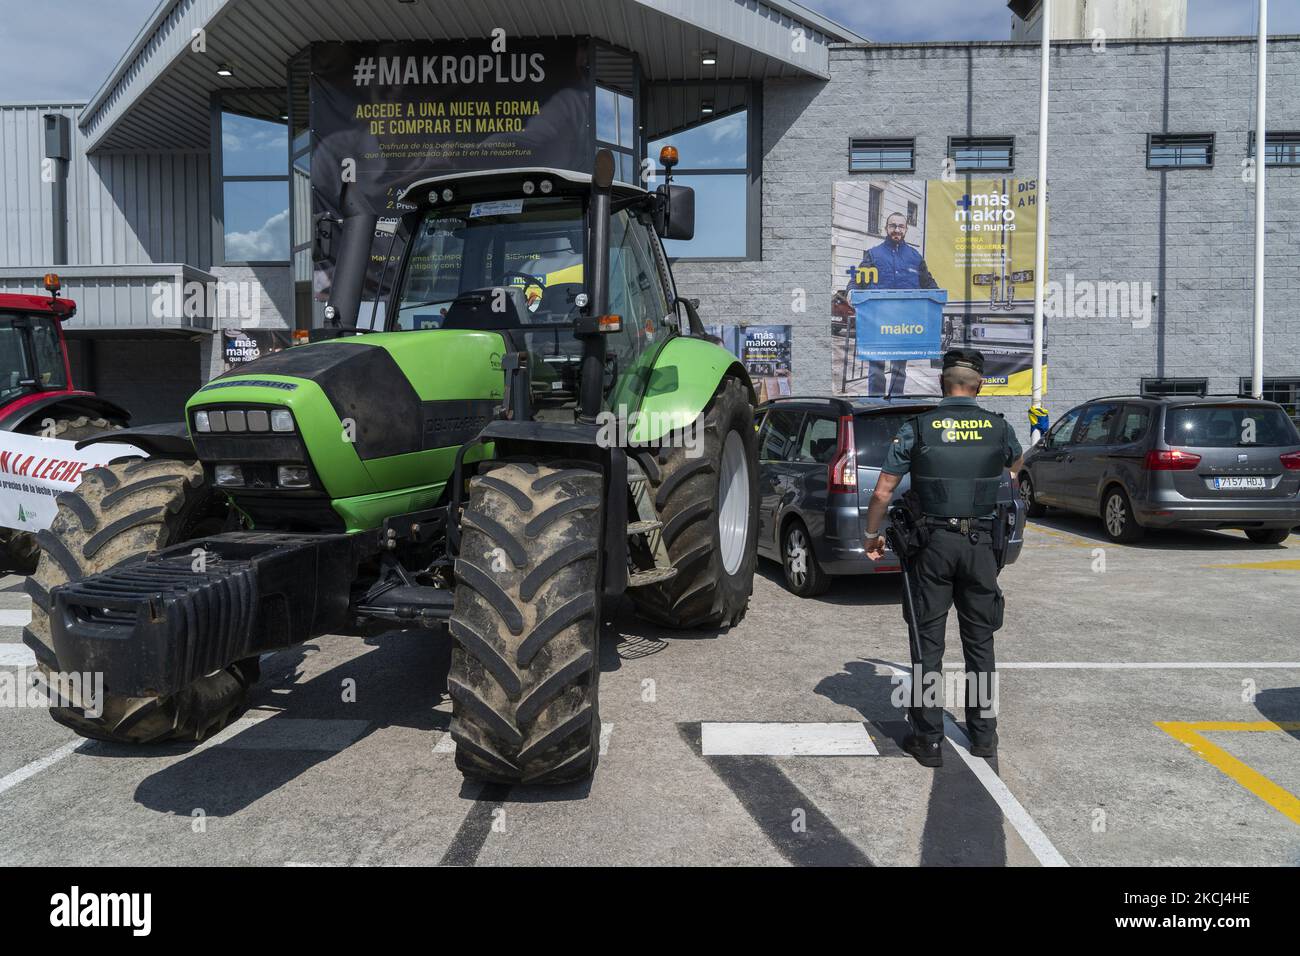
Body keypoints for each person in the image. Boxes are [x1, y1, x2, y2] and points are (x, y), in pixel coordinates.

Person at [863, 348, 1023, 767]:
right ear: (980, 385)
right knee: (980, 644)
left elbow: (882, 491)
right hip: (982, 546)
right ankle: (984, 737)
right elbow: (1015, 465)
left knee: (927, 645)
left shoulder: (918, 427)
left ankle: (929, 740)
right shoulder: (998, 427)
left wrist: (871, 535)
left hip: (932, 545)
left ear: (942, 384)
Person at [848, 211, 939, 397]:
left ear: (905, 229)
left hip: (903, 323)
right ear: (886, 228)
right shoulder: (873, 255)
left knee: (899, 370)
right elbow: (858, 279)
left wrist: (937, 295)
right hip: (877, 322)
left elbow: (927, 282)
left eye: (900, 226)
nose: (896, 229)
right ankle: (875, 403)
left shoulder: (915, 257)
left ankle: (896, 402)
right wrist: (851, 290)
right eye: (892, 226)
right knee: (876, 370)